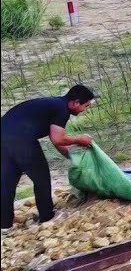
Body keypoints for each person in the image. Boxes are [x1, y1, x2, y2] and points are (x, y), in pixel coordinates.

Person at [1, 85, 95, 229]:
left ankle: (4, 224)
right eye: (86, 106)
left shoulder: (54, 104)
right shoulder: (62, 110)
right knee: (42, 178)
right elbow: (58, 139)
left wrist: (71, 157)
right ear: (76, 102)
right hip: (21, 141)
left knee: (8, 183)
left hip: (4, 138)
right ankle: (47, 216)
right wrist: (80, 139)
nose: (84, 110)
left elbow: (55, 139)